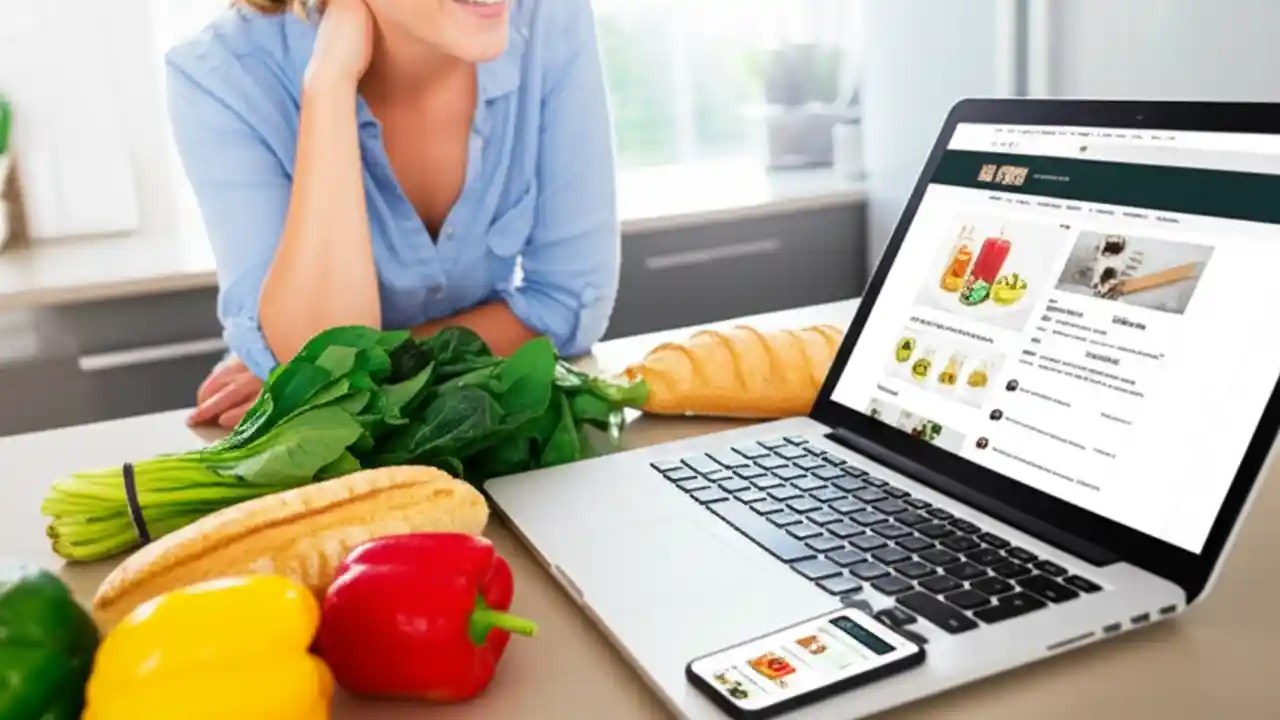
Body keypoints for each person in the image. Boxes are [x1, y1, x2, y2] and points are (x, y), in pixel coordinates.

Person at [166, 0, 620, 428]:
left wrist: (370, 366)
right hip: (324, 456)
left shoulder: (545, 15)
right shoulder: (222, 76)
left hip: (484, 419)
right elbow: (327, 366)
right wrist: (329, 83)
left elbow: (568, 305)